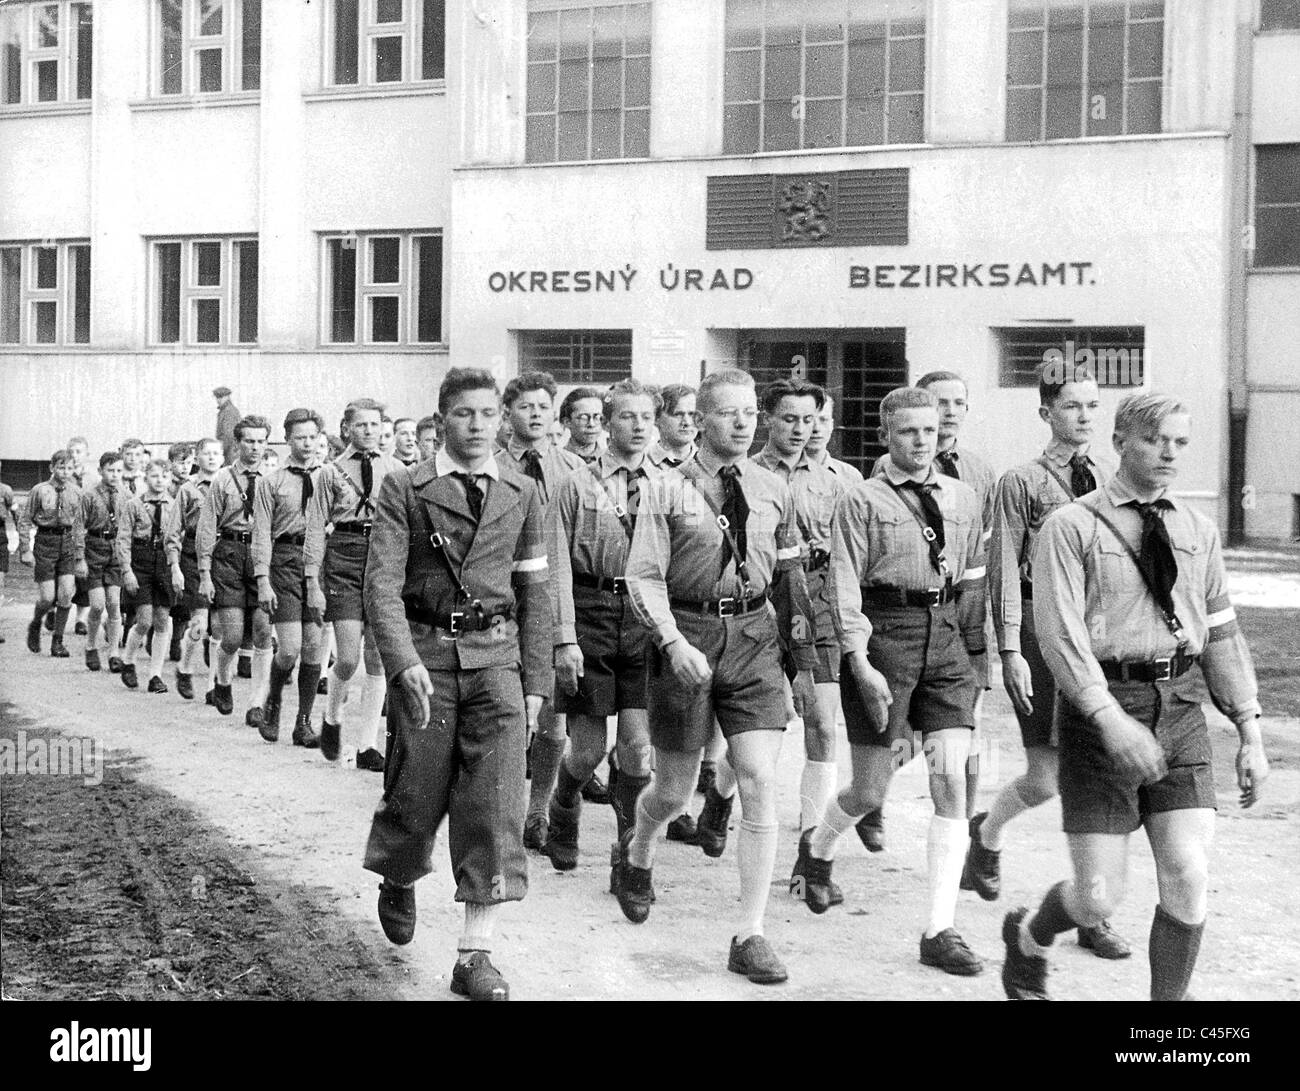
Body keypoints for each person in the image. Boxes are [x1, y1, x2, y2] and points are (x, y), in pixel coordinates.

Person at [1002, 392, 1269, 1002]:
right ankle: (1029, 936)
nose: (1170, 453)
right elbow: (1059, 637)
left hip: (1177, 708)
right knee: (1097, 898)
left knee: (1187, 873)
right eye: (1155, 440)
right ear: (1120, 441)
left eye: (1180, 442)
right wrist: (1109, 719)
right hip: (1100, 715)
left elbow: (1222, 633)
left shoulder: (1197, 529)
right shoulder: (1070, 525)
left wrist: (1250, 732)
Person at [617, 369, 817, 985]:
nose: (743, 423)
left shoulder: (773, 487)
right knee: (674, 792)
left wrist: (804, 665)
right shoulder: (666, 489)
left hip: (754, 638)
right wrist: (672, 641)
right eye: (729, 413)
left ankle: (750, 933)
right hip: (689, 638)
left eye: (751, 413)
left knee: (757, 778)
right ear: (700, 418)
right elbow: (642, 577)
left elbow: (790, 579)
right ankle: (639, 846)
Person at [362, 366, 552, 1002]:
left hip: (497, 660)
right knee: (416, 793)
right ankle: (398, 873)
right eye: (464, 413)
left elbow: (535, 588)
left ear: (501, 419)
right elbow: (381, 585)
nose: (477, 425)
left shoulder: (523, 491)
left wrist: (536, 678)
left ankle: (476, 953)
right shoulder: (405, 488)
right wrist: (401, 660)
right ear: (442, 418)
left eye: (487, 413)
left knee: (495, 805)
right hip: (427, 656)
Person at [792, 386, 988, 977]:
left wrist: (976, 657)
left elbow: (974, 578)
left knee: (951, 778)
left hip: (946, 637)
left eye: (929, 431)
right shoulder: (859, 499)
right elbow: (843, 586)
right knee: (870, 791)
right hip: (885, 635)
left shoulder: (963, 497)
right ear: (886, 435)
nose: (921, 441)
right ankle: (819, 848)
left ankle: (939, 928)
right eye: (908, 432)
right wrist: (860, 660)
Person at [962, 365, 1130, 960]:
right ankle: (988, 831)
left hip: (1102, 640)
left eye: (1092, 405)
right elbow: (1007, 565)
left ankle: (1090, 908)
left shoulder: (1113, 477)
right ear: (1045, 414)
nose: (1084, 416)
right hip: (1041, 630)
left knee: (1098, 778)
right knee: (1046, 778)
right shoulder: (1022, 482)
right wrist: (1010, 645)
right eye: (1071, 406)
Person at [864, 370, 996, 851]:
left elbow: (980, 559)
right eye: (939, 402)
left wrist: (976, 634)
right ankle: (869, 800)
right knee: (901, 736)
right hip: (901, 623)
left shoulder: (979, 472)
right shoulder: (889, 468)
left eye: (958, 402)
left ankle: (963, 837)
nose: (948, 413)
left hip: (957, 621)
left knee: (961, 737)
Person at [545, 379, 663, 874]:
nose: (638, 427)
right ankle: (563, 800)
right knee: (589, 750)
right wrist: (565, 638)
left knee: (638, 747)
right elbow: (556, 565)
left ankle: (628, 854)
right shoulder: (576, 483)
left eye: (646, 418)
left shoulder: (672, 485)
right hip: (591, 612)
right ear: (606, 424)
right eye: (626, 417)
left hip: (643, 619)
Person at [747, 379, 847, 885]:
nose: (800, 430)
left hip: (818, 603)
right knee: (760, 731)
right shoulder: (746, 474)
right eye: (789, 419)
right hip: (760, 607)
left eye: (809, 420)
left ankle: (811, 854)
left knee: (823, 725)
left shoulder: (835, 478)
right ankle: (722, 793)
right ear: (767, 417)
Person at [498, 371, 588, 850]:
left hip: (555, 598)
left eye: (543, 407)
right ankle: (506, 811)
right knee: (510, 711)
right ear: (508, 412)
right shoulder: (491, 466)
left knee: (553, 713)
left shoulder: (573, 470)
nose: (535, 414)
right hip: (504, 602)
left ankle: (539, 811)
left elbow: (574, 546)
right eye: (525, 406)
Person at [305, 398, 402, 771]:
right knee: (347, 657)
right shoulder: (328, 473)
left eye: (375, 425)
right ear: (346, 429)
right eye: (361, 425)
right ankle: (331, 718)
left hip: (382, 557)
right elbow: (315, 529)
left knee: (378, 656)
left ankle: (366, 746)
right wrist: (312, 579)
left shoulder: (396, 470)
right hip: (343, 555)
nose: (368, 431)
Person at [251, 409, 325, 747]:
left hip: (320, 563)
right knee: (290, 648)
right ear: (287, 439)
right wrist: (262, 578)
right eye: (300, 437)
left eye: (312, 437)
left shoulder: (330, 477)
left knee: (314, 648)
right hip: (284, 560)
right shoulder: (271, 482)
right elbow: (262, 534)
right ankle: (273, 703)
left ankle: (303, 723)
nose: (307, 443)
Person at [196, 415, 275, 724]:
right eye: (248, 441)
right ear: (238, 443)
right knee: (230, 636)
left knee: (263, 631)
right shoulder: (223, 479)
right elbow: (206, 527)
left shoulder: (272, 479)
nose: (255, 447)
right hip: (229, 553)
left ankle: (257, 702)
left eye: (260, 441)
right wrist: (204, 573)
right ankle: (223, 681)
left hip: (263, 554)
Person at [116, 458, 182, 693]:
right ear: (146, 478)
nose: (160, 481)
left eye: (164, 476)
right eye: (155, 476)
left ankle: (155, 675)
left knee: (163, 620)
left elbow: (176, 538)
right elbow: (123, 539)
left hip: (163, 562)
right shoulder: (134, 505)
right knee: (144, 620)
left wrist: (176, 568)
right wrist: (127, 570)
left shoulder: (174, 505)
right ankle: (129, 661)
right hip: (140, 561)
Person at [165, 438, 222, 701]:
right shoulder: (188, 490)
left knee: (220, 628)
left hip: (225, 556)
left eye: (216, 453)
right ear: (197, 459)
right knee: (199, 624)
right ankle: (185, 667)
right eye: (206, 454)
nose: (211, 458)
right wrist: (175, 567)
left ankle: (213, 686)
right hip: (193, 558)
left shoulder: (230, 484)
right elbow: (174, 532)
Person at [19, 449, 86, 658]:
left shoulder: (77, 492)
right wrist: (25, 549)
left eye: (69, 468)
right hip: (45, 542)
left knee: (66, 594)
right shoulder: (40, 490)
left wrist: (80, 556)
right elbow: (24, 520)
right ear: (52, 468)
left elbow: (79, 525)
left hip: (67, 543)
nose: (65, 472)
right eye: (61, 467)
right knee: (47, 598)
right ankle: (36, 623)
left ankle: (58, 641)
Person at [79, 451, 127, 673]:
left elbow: (129, 528)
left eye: (119, 470)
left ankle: (114, 652)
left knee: (114, 605)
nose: (115, 474)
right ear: (100, 471)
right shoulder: (89, 496)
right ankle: (91, 646)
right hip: (94, 549)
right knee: (97, 605)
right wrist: (80, 558)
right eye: (110, 470)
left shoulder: (126, 495)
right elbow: (78, 528)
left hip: (116, 551)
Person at [805, 394, 864, 486]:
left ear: (832, 425)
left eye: (823, 420)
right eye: (808, 420)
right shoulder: (779, 476)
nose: (816, 428)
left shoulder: (850, 476)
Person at [648, 383, 697, 469]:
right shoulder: (639, 465)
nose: (687, 422)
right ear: (656, 419)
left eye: (692, 414)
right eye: (677, 414)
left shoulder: (713, 467)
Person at [559, 387, 605, 464]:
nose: (591, 424)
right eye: (583, 417)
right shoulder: (555, 462)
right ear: (567, 422)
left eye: (596, 417)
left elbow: (623, 476)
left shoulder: (616, 462)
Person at [0, 461, 16, 644]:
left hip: (0, 535)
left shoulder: (5, 490)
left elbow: (16, 514)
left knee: (0, 582)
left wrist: (23, 542)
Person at [214, 386, 241, 465]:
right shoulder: (225, 411)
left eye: (221, 397)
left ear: (228, 397)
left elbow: (228, 436)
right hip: (228, 450)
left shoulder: (229, 411)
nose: (218, 400)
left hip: (230, 452)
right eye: (217, 397)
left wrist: (220, 453)